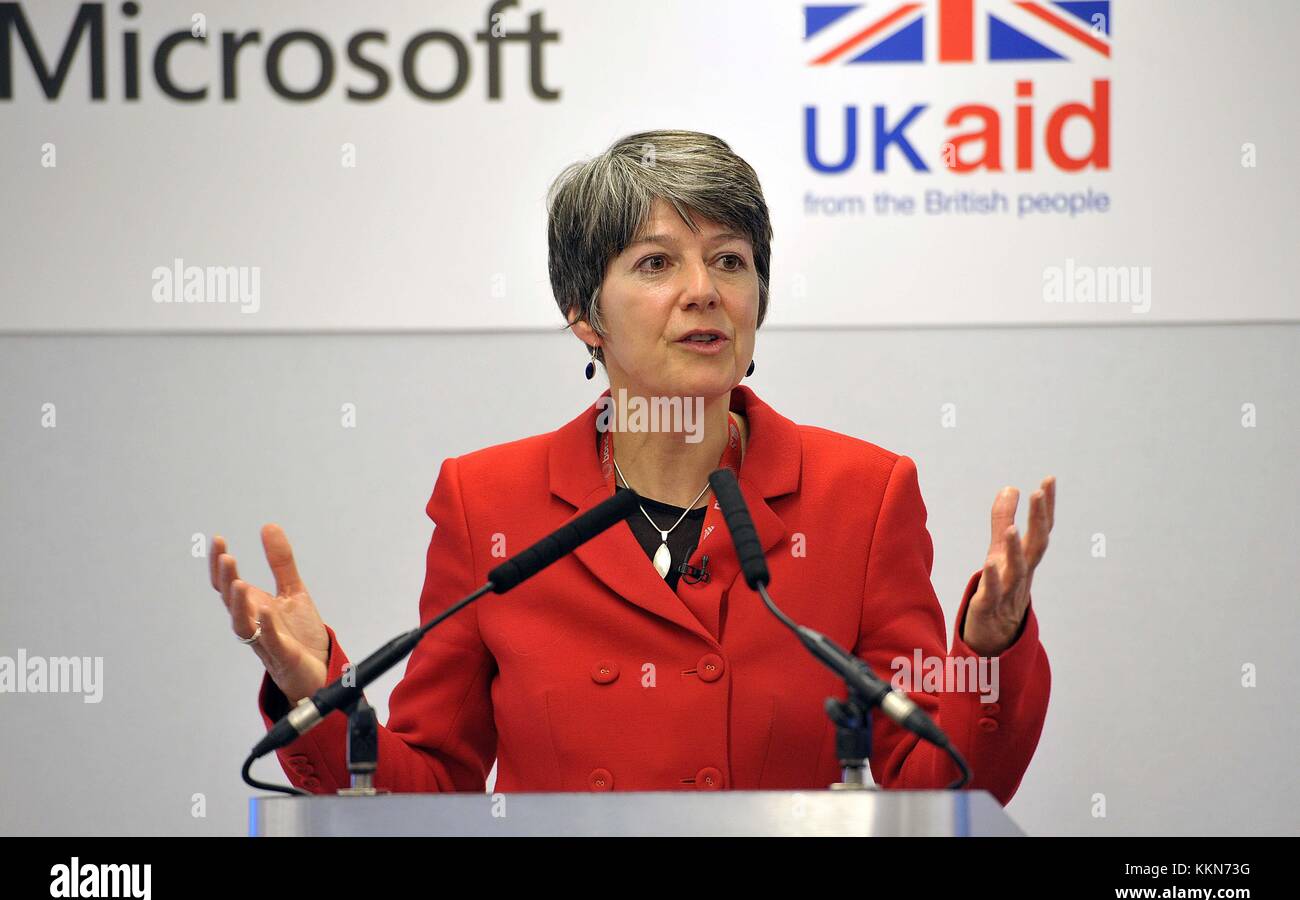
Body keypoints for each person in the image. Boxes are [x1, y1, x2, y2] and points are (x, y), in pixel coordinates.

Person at [210, 130, 1054, 803]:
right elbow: (431, 788)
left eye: (730, 259)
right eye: (657, 263)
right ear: (583, 312)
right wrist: (315, 692)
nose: (705, 290)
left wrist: (988, 647)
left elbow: (940, 789)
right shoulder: (488, 501)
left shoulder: (860, 497)